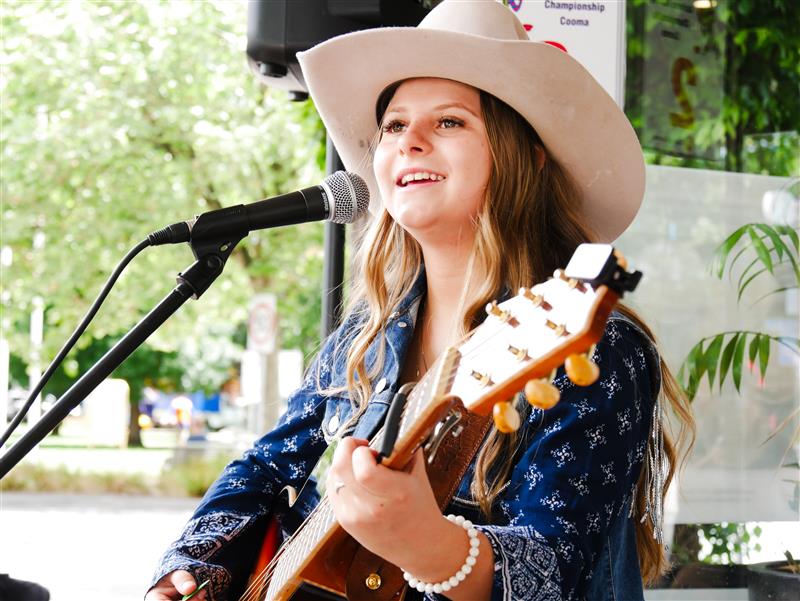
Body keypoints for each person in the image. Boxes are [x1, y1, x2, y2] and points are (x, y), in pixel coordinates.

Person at [145, 1, 695, 600]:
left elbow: (555, 569)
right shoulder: (366, 335)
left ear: (526, 156)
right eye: (395, 125)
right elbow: (267, 465)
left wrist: (428, 546)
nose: (410, 143)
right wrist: (192, 568)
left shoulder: (589, 343)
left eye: (450, 122)